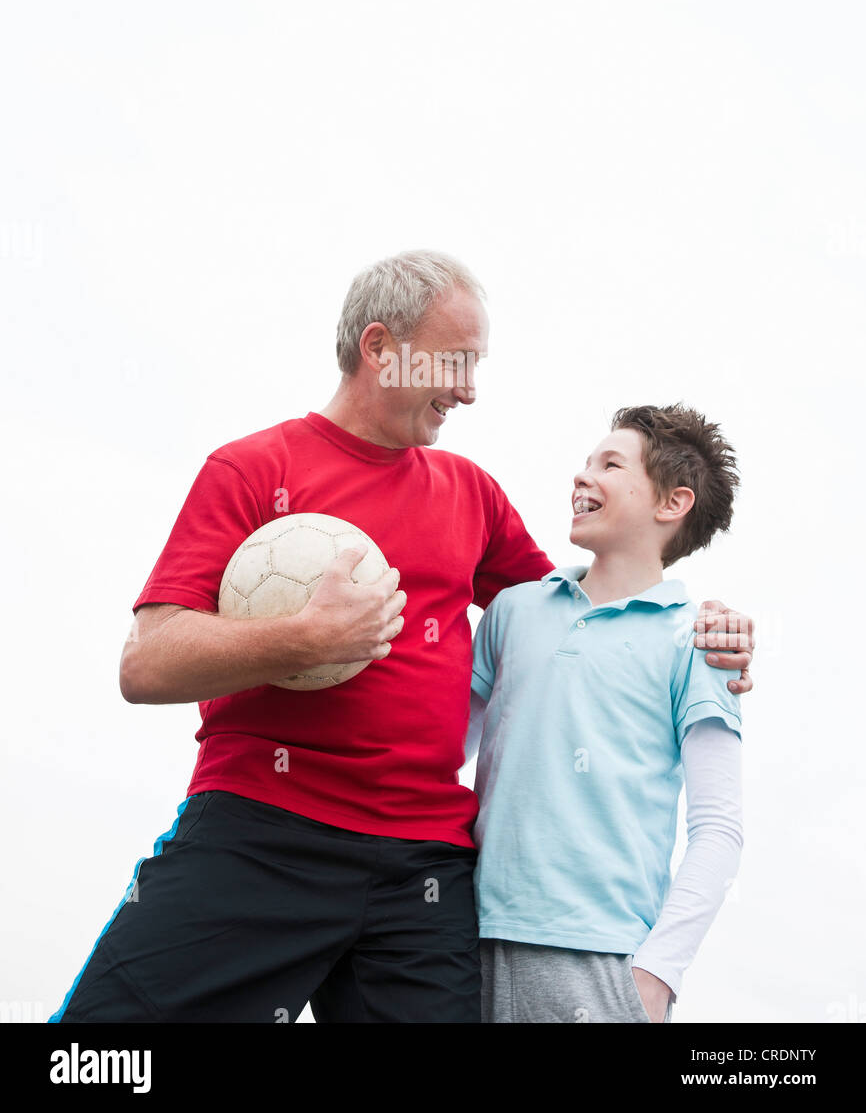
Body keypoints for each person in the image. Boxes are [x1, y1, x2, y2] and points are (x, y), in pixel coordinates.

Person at [48, 254, 754, 1024]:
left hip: (426, 873)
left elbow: (582, 610)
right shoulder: (252, 468)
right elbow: (146, 661)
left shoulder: (471, 495)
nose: (469, 389)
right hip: (260, 831)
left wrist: (705, 620)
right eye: (456, 362)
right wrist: (306, 637)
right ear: (380, 348)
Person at [469, 404, 745, 1023]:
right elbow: (435, 753)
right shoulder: (512, 612)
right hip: (466, 940)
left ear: (671, 504)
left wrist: (654, 975)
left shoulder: (700, 642)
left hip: (600, 964)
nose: (582, 476)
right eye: (585, 462)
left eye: (610, 465)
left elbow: (719, 830)